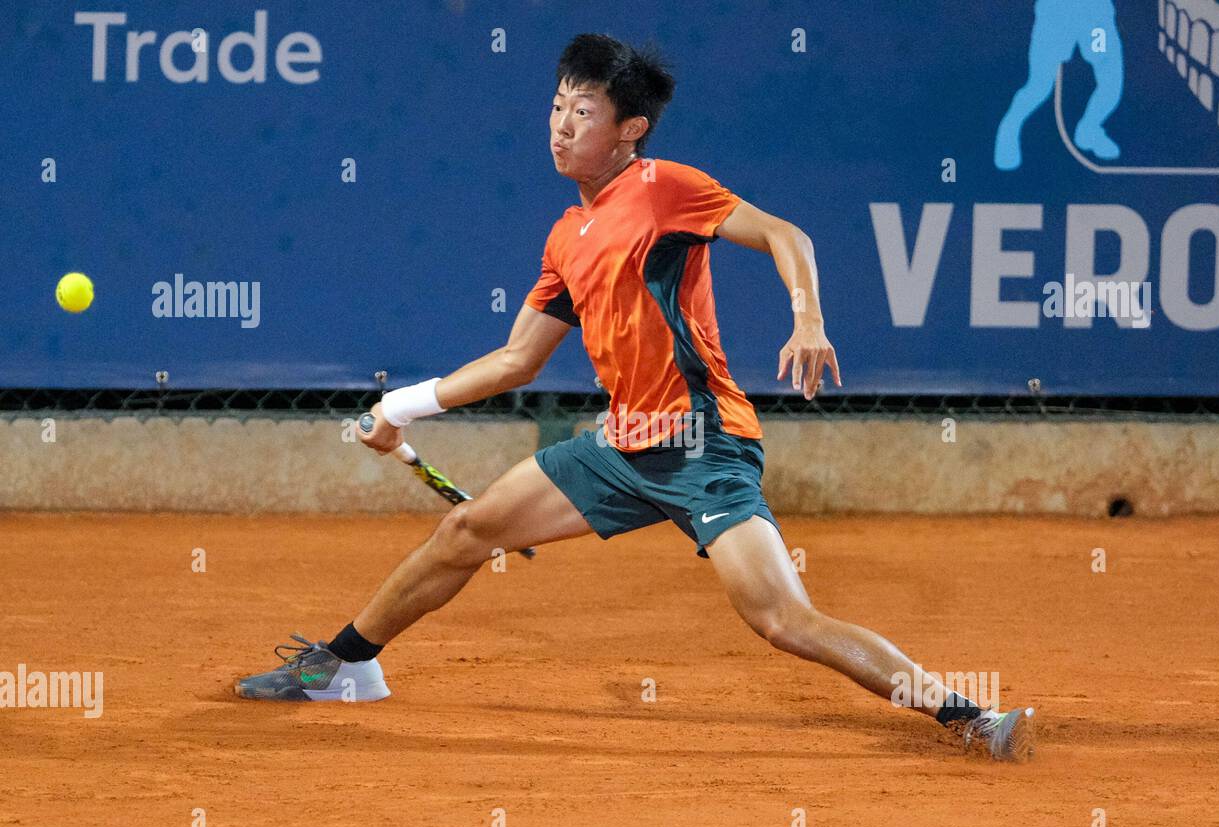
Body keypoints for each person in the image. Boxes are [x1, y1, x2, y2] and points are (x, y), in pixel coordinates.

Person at [236, 34, 1034, 761]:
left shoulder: (666, 192)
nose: (560, 126)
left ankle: (968, 715)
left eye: (583, 113)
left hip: (701, 443)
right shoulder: (565, 235)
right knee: (467, 529)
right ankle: (346, 665)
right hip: (619, 446)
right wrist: (399, 408)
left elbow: (790, 236)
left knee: (783, 621)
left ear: (630, 129)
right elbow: (517, 360)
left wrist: (809, 317)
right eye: (556, 107)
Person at [995, 0, 1124, 170]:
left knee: (1111, 81)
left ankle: (1089, 129)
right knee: (1039, 86)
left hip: (1094, 17)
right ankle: (1009, 130)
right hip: (1057, 14)